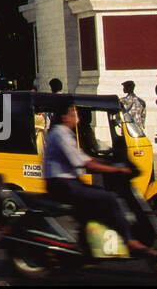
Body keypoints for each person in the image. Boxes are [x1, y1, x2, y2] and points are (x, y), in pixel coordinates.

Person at [43, 99, 148, 254]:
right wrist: (115, 169)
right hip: (63, 184)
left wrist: (107, 163)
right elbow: (84, 162)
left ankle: (87, 243)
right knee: (109, 198)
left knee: (94, 200)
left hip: (67, 183)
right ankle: (129, 240)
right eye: (73, 114)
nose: (76, 118)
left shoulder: (62, 133)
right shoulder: (61, 134)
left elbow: (85, 157)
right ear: (64, 117)